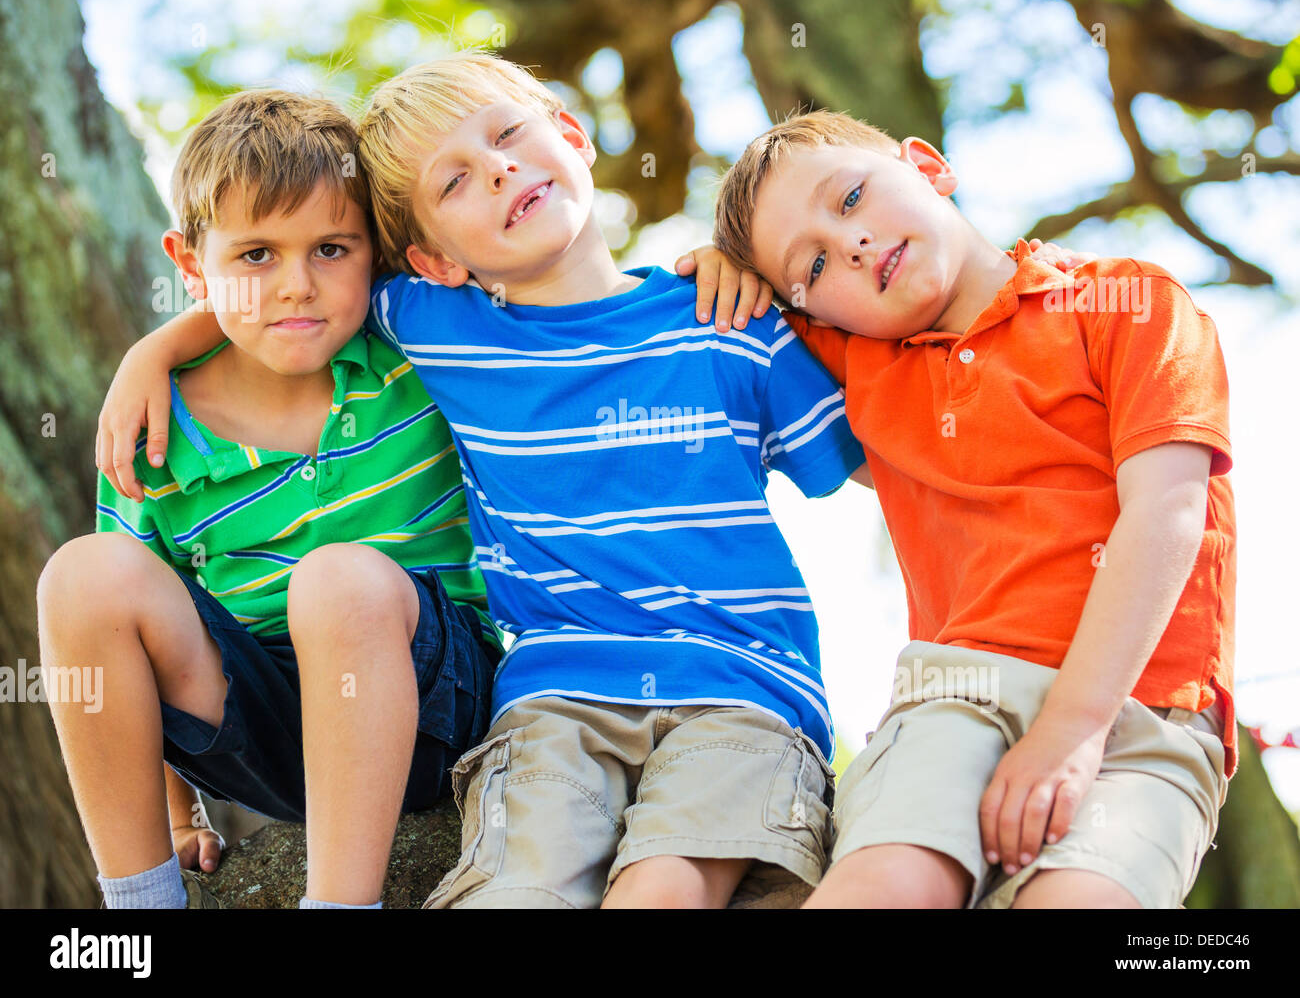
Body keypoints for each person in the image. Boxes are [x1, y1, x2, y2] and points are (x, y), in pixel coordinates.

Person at [91, 52, 867, 909]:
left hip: (740, 690)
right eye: (455, 180)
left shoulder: (730, 320)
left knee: (667, 883)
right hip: (555, 705)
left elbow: (888, 470)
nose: (497, 169)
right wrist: (154, 350)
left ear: (571, 134)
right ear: (432, 260)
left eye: (507, 137)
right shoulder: (434, 326)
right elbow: (279, 284)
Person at [711, 109, 1235, 909]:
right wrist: (717, 269)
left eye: (851, 198)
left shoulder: (1128, 304)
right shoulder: (862, 365)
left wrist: (1073, 726)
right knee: (884, 886)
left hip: (1140, 714)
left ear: (928, 165)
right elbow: (711, 314)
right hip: (954, 700)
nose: (846, 244)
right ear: (813, 315)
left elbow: (1168, 511)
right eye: (812, 265)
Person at [39, 90, 502, 910]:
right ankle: (137, 907)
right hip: (265, 736)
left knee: (337, 582)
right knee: (83, 575)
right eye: (255, 256)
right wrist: (178, 810)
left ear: (379, 254)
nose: (297, 286)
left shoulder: (411, 345)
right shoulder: (155, 429)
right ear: (190, 266)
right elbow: (125, 644)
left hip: (435, 705)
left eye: (331, 248)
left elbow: (549, 285)